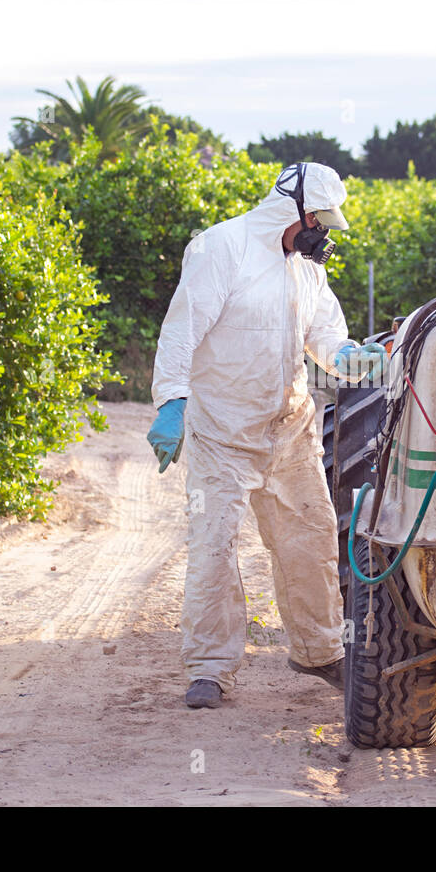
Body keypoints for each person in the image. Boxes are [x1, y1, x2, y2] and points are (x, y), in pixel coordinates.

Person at [146, 162, 386, 709]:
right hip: (222, 431)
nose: (323, 233)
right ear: (293, 210)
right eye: (319, 221)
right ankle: (210, 667)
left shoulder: (306, 268)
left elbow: (326, 334)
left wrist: (351, 358)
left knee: (312, 540)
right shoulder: (220, 249)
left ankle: (320, 651)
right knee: (214, 547)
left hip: (290, 428)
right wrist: (172, 403)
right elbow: (181, 330)